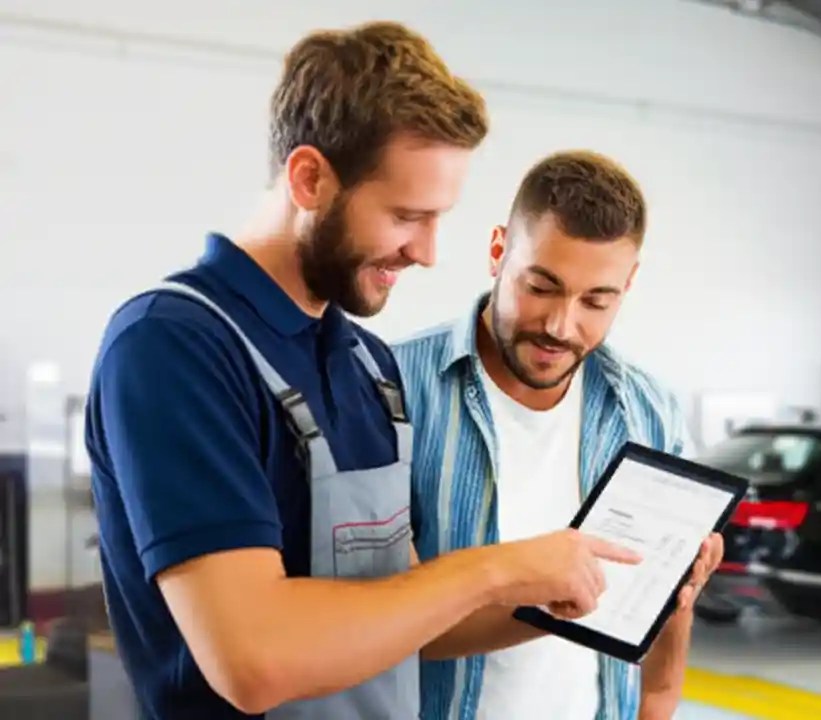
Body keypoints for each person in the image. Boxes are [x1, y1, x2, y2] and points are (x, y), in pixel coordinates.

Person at [84, 22, 668, 719]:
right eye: (405, 216)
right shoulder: (174, 347)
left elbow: (418, 617)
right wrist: (499, 566)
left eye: (437, 218)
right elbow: (255, 660)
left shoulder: (366, 365)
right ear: (309, 178)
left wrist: (572, 586)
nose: (425, 252)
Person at [393, 150, 723, 720]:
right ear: (498, 251)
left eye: (597, 300)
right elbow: (380, 624)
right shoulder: (392, 390)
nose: (560, 326)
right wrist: (544, 593)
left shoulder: (650, 412)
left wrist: (660, 704)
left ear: (628, 285)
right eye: (541, 286)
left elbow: (670, 608)